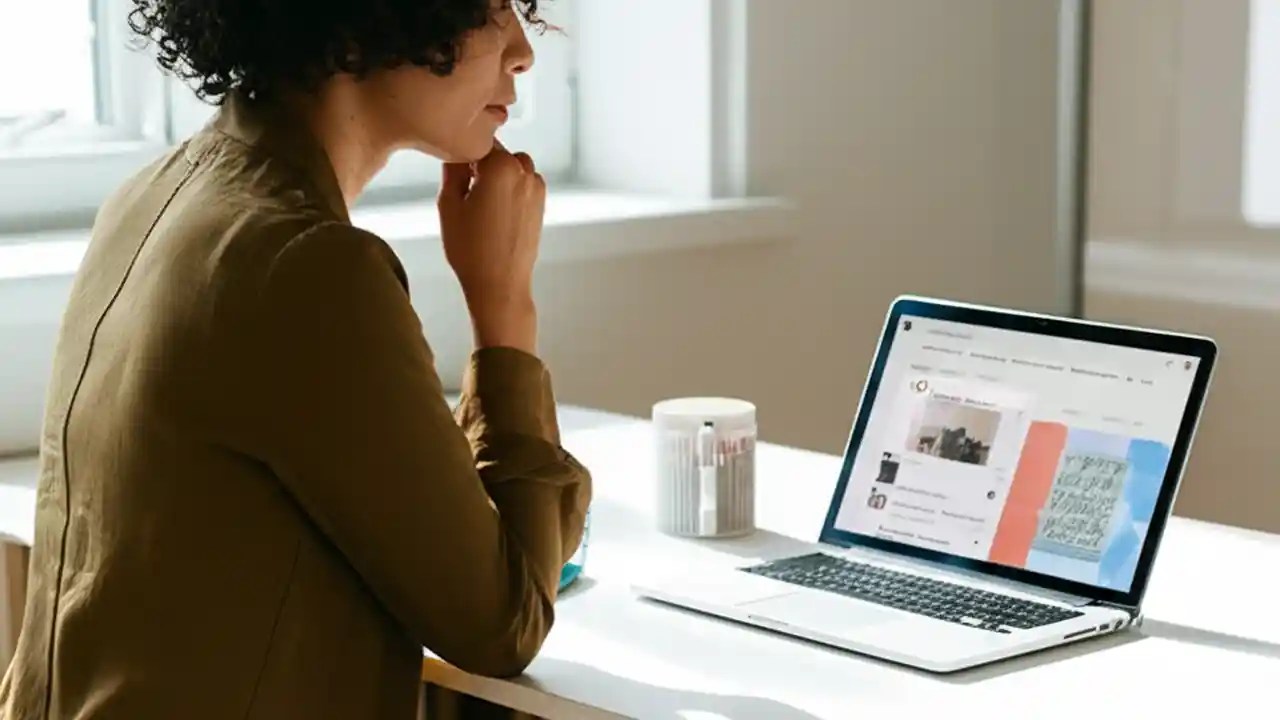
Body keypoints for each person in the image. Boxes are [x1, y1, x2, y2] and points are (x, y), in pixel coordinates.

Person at [0, 1, 591, 718]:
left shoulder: (152, 195)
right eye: (492, 9)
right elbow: (504, 623)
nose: (524, 50)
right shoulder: (308, 268)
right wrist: (503, 309)